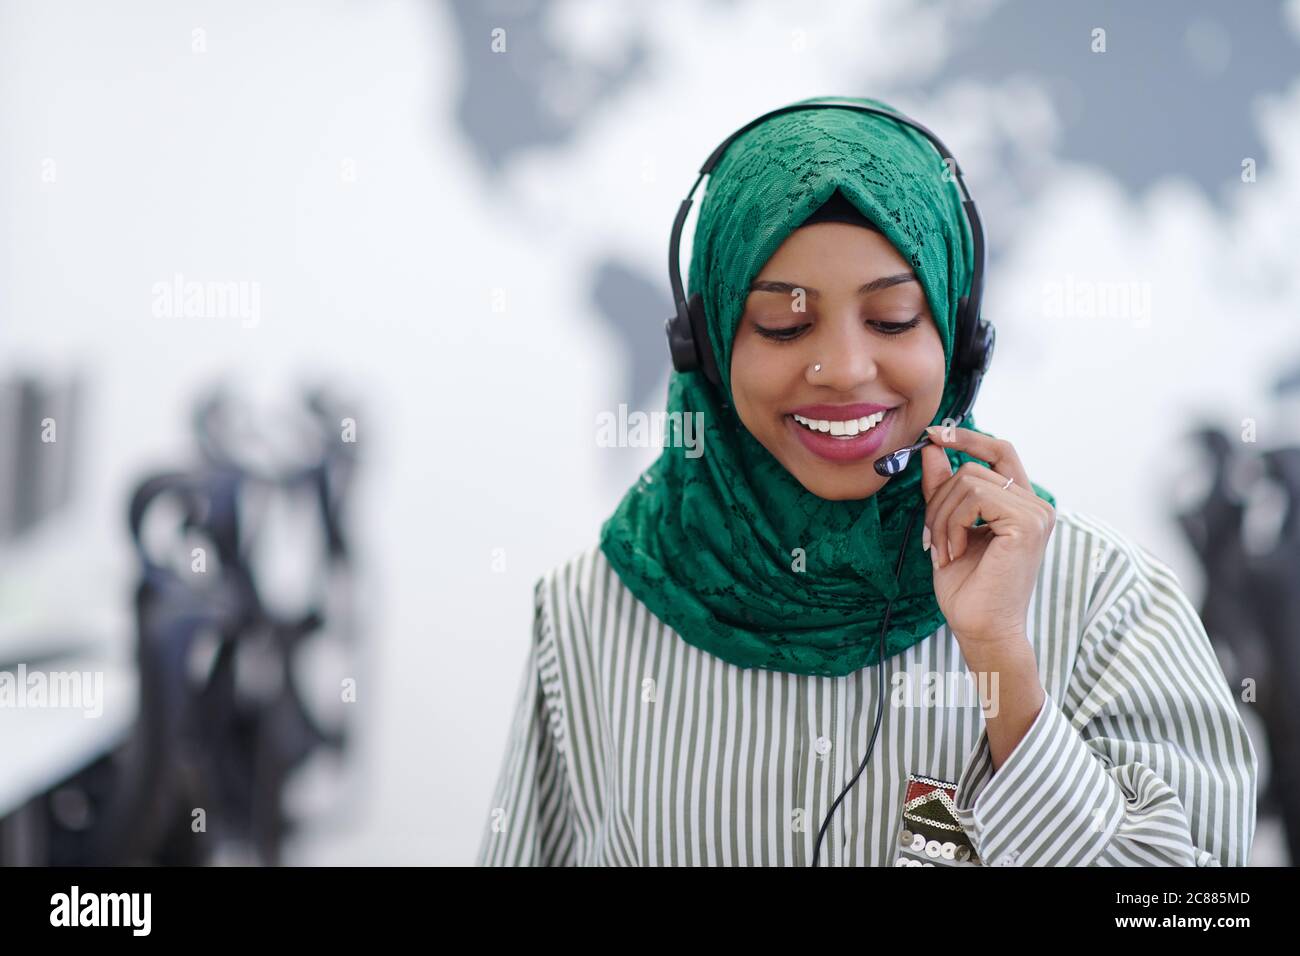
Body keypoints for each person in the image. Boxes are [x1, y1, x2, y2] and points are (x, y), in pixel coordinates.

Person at [476, 96, 1258, 867]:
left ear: (960, 337)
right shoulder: (588, 613)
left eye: (892, 319)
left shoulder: (1106, 602)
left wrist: (1003, 668)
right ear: (706, 347)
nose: (845, 369)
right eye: (782, 325)